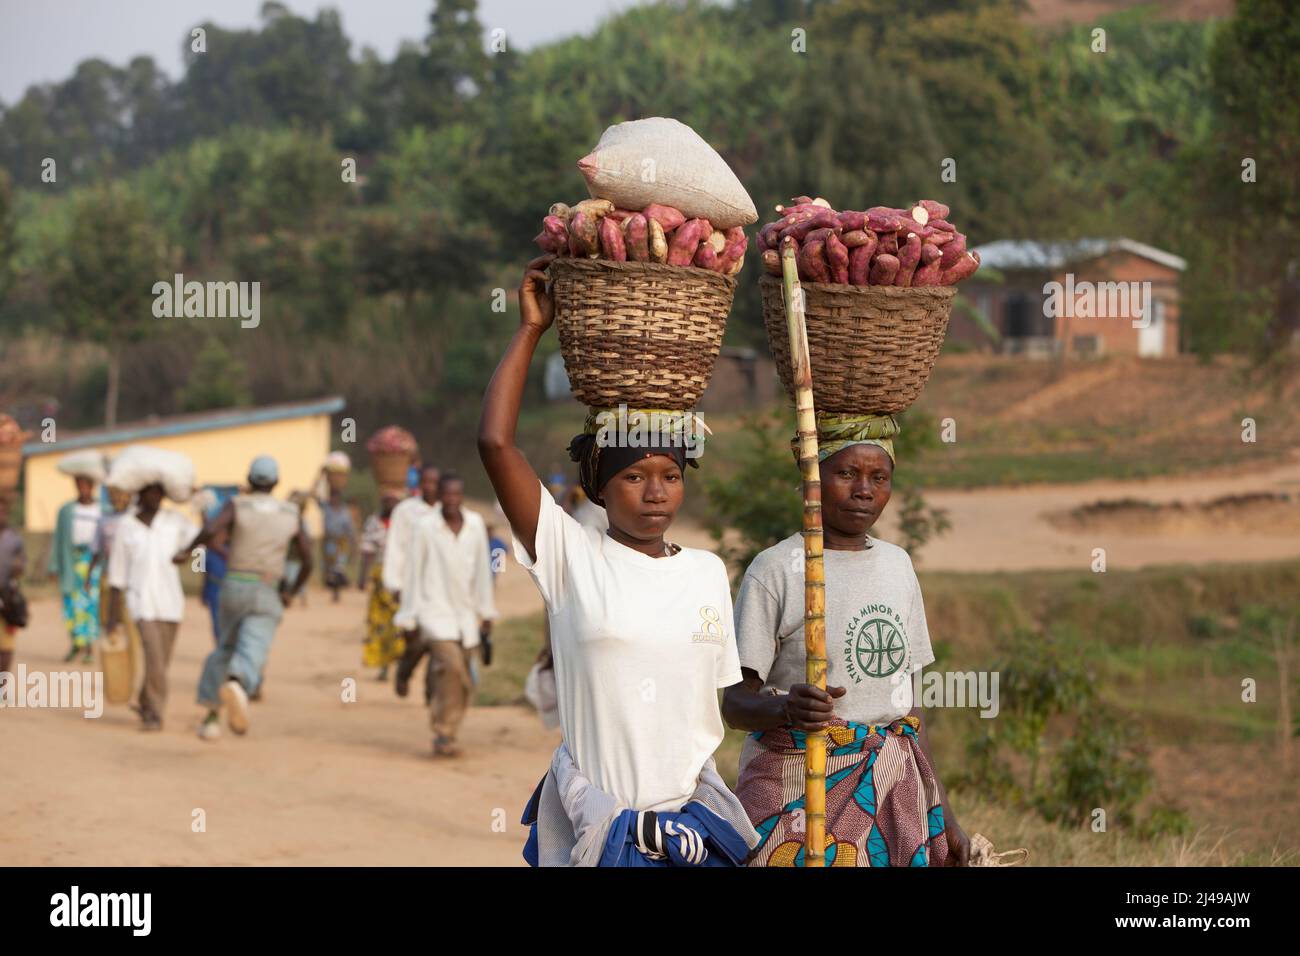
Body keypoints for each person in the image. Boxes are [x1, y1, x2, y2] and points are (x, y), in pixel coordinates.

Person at [477, 255, 757, 867]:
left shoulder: (707, 572)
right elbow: (495, 444)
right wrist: (530, 330)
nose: (655, 492)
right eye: (633, 476)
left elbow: (725, 699)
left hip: (691, 830)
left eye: (670, 476)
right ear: (598, 486)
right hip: (601, 829)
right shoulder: (569, 555)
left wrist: (788, 708)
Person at [721, 414, 970, 867]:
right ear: (813, 479)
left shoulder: (898, 566)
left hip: (891, 790)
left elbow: (908, 707)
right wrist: (786, 709)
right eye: (847, 473)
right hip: (798, 788)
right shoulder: (775, 569)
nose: (864, 490)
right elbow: (735, 703)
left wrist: (943, 814)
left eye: (879, 477)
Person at [190, 456, 312, 741]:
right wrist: (291, 591)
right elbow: (308, 558)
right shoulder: (290, 513)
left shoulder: (237, 505)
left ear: (249, 480)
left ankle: (210, 717)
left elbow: (210, 530)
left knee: (225, 647)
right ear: (276, 483)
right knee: (253, 647)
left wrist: (187, 550)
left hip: (233, 585)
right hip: (267, 588)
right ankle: (238, 682)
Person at [394, 472, 497, 757]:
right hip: (433, 611)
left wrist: (486, 611)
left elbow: (481, 571)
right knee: (452, 669)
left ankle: (414, 673)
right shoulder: (425, 526)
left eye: (457, 494)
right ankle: (443, 733)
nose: (452, 499)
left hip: (464, 616)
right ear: (439, 496)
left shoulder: (475, 525)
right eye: (447, 494)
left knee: (465, 678)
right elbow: (414, 569)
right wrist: (408, 615)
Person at [105, 481, 197, 731]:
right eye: (150, 491)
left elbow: (201, 541)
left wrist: (191, 560)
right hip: (140, 601)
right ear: (140, 493)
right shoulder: (127, 526)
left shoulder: (175, 521)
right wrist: (111, 619)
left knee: (161, 663)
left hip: (171, 603)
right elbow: (117, 573)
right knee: (155, 659)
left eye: (159, 491)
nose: (155, 496)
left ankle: (146, 700)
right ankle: (155, 714)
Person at [384, 463, 441, 699]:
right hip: (412, 586)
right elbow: (395, 548)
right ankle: (404, 671)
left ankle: (432, 690)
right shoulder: (406, 511)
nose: (430, 487)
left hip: (440, 589)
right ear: (419, 484)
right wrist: (394, 584)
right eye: (426, 481)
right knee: (417, 641)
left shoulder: (448, 511)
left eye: (435, 482)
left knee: (439, 640)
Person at [49, 474, 103, 663]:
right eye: (79, 484)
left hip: (94, 564)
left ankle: (88, 648)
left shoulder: (102, 510)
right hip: (71, 562)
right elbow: (58, 538)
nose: (83, 488)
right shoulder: (66, 510)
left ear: (92, 486)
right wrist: (54, 566)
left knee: (90, 605)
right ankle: (75, 643)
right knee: (71, 605)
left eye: (86, 484)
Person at [358, 489, 405, 680]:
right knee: (380, 623)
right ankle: (384, 666)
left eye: (393, 500)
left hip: (403, 578)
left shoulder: (406, 522)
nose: (390, 504)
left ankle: (402, 664)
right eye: (387, 500)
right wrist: (362, 576)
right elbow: (367, 550)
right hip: (381, 579)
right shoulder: (374, 522)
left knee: (401, 623)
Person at [0, 495, 26, 675]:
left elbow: (22, 563)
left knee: (6, 645)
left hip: (7, 597)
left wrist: (18, 568)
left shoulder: (14, 539)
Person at [319, 486, 356, 602]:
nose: (333, 500)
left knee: (339, 568)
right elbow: (313, 496)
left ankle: (337, 591)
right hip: (329, 542)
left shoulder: (345, 512)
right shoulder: (326, 508)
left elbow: (350, 529)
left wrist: (354, 544)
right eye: (331, 497)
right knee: (329, 569)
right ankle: (333, 589)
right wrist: (319, 478)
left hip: (341, 543)